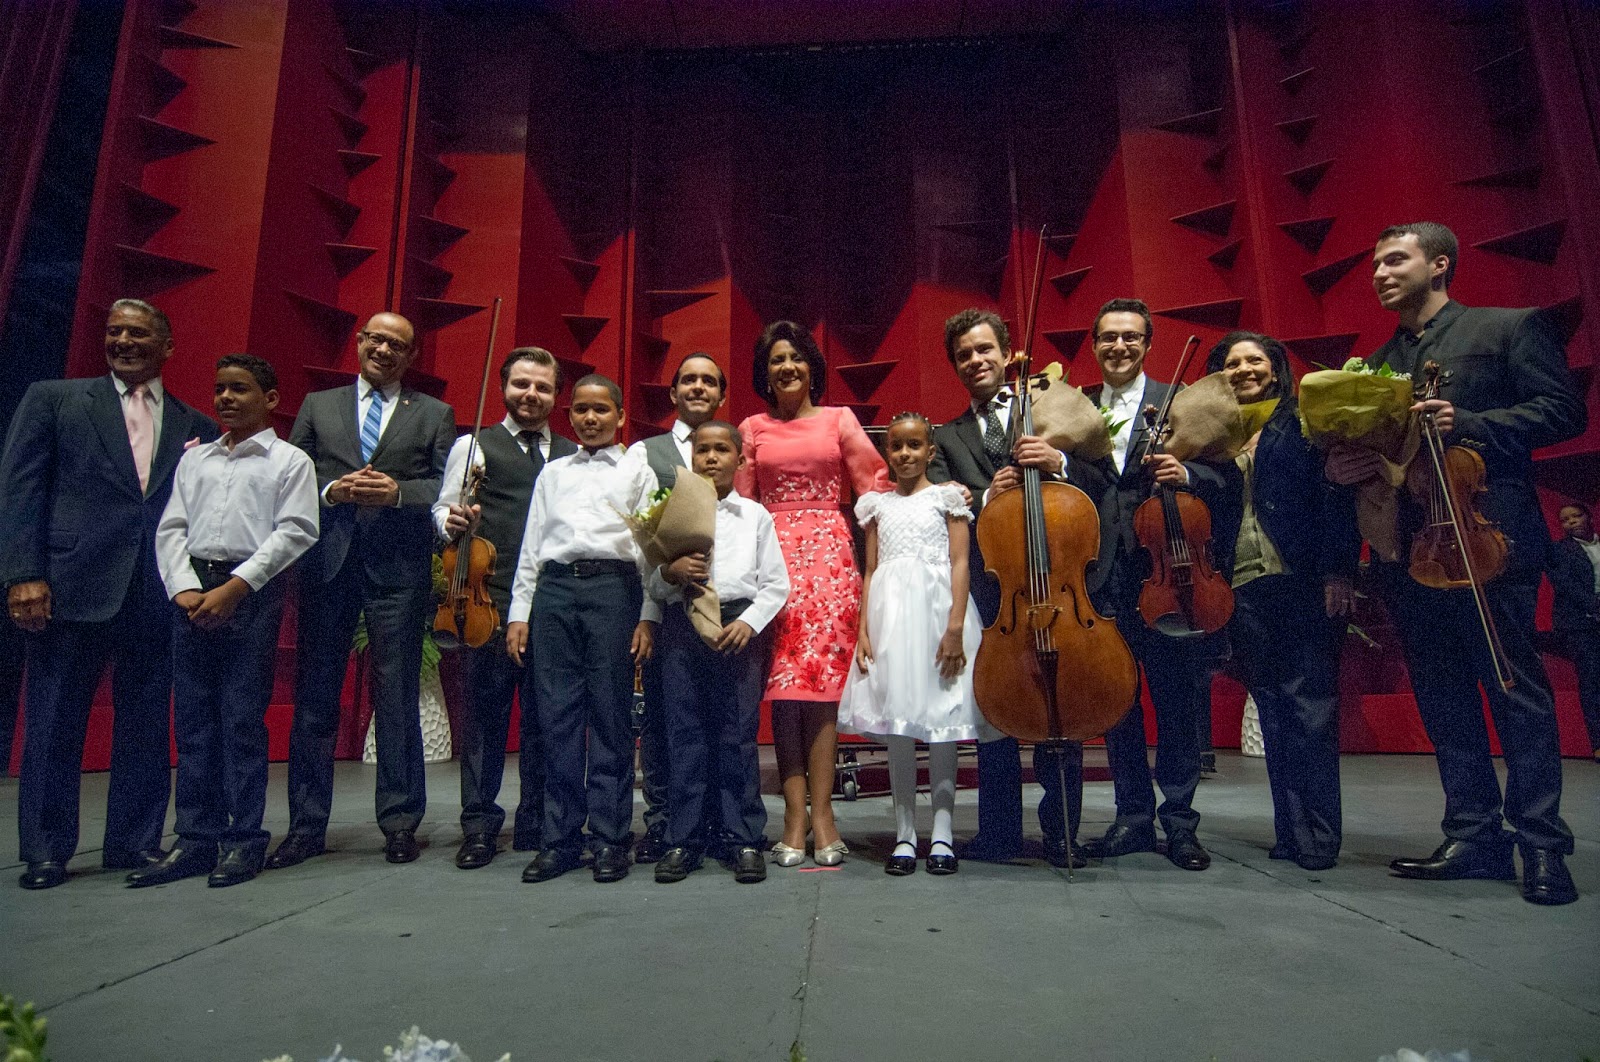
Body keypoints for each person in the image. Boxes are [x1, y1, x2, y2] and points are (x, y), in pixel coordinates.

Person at [1328, 222, 1585, 905]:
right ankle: (1473, 834)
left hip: (1488, 539)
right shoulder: (1375, 365)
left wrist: (1469, 422)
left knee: (1515, 692)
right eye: (1375, 264)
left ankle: (1542, 844)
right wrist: (1349, 464)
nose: (1380, 273)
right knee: (1443, 697)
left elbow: (1564, 411)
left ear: (1440, 264)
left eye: (1395, 260)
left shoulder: (1508, 328)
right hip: (1409, 549)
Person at [0, 298, 218, 890]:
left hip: (155, 592)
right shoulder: (54, 399)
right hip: (69, 586)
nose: (122, 341)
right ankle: (45, 850)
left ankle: (133, 841)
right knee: (54, 722)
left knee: (146, 724)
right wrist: (22, 573)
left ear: (166, 347)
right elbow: (19, 489)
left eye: (137, 333)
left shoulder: (196, 424)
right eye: (114, 331)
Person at [268, 312, 457, 870]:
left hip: (399, 570)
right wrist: (331, 490)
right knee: (316, 700)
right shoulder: (318, 405)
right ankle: (305, 827)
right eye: (376, 339)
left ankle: (400, 824)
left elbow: (444, 486)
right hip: (328, 565)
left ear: (411, 356)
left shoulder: (434, 413)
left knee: (396, 698)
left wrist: (397, 492)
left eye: (398, 344)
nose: (385, 350)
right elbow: (290, 475)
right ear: (359, 342)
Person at [928, 307, 1110, 869]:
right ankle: (1000, 833)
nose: (975, 360)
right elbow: (937, 504)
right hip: (995, 589)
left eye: (985, 349)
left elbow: (1106, 480)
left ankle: (1063, 833)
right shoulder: (946, 437)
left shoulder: (1049, 409)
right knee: (997, 709)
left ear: (1007, 354)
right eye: (964, 355)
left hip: (1057, 582)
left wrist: (1059, 461)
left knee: (1061, 706)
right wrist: (988, 496)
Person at [136, 355, 319, 888]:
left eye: (240, 389)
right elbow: (172, 527)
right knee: (193, 722)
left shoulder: (290, 461)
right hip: (194, 591)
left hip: (250, 593)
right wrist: (183, 587)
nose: (226, 399)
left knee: (241, 721)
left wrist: (235, 588)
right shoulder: (196, 459)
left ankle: (243, 840)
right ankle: (195, 839)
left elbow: (296, 530)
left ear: (271, 399)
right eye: (220, 389)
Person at [1081, 297, 1228, 872]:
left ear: (1147, 344)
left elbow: (1225, 475)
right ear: (1095, 344)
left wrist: (1187, 473)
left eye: (1131, 337)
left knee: (1177, 703)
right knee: (1117, 703)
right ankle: (1132, 818)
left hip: (1170, 575)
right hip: (1102, 576)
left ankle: (1181, 823)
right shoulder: (1075, 409)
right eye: (1108, 337)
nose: (1119, 346)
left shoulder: (1180, 401)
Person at [735, 321, 888, 868]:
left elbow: (875, 486)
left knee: (822, 692)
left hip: (829, 561)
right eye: (777, 359)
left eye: (797, 358)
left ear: (812, 368)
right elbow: (741, 505)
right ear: (765, 372)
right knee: (784, 692)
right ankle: (792, 817)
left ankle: (823, 816)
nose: (787, 367)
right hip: (771, 561)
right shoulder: (751, 427)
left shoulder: (839, 419)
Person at [1204, 331, 1358, 870]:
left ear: (1275, 368)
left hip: (1302, 578)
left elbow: (1335, 496)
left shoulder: (1302, 421)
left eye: (1255, 360)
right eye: (1233, 363)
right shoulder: (1216, 433)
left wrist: (1339, 570)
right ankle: (1290, 831)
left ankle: (1319, 835)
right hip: (1242, 584)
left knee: (1310, 707)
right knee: (1271, 707)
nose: (1244, 369)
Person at [506, 374, 659, 884]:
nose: (590, 418)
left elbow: (649, 547)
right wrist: (520, 612)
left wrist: (648, 613)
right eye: (581, 410)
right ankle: (560, 839)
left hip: (613, 589)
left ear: (620, 416)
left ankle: (611, 837)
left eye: (601, 410)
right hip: (554, 591)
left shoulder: (636, 470)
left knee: (612, 715)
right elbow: (533, 544)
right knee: (558, 718)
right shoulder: (552, 473)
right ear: (568, 415)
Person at [434, 347, 577, 869]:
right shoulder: (473, 445)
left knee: (547, 720)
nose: (531, 394)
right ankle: (478, 826)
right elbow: (443, 507)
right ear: (503, 387)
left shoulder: (573, 453)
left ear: (556, 395)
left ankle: (536, 820)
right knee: (485, 721)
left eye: (542, 386)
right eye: (521, 384)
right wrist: (448, 523)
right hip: (489, 602)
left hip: (555, 604)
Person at [840, 412, 984, 876]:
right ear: (887, 452)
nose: (905, 454)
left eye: (914, 445)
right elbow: (870, 570)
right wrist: (864, 628)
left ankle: (942, 834)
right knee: (898, 724)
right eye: (897, 446)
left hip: (938, 618)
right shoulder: (875, 506)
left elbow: (960, 563)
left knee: (943, 722)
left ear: (930, 451)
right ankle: (905, 835)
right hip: (892, 622)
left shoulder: (947, 499)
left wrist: (955, 626)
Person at [648, 420, 790, 884]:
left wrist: (749, 622)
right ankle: (684, 839)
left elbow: (776, 584)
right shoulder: (672, 511)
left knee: (737, 734)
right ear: (690, 458)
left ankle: (742, 837)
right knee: (684, 734)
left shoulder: (755, 515)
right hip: (682, 625)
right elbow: (653, 584)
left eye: (721, 450)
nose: (711, 458)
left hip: (737, 628)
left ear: (740, 459)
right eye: (702, 450)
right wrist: (670, 572)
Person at [625, 352, 729, 863]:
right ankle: (663, 822)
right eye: (688, 380)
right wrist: (648, 607)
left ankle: (715, 822)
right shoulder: (646, 452)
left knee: (718, 719)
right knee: (666, 722)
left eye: (708, 381)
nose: (698, 387)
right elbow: (633, 534)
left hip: (723, 609)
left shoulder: (731, 447)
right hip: (664, 603)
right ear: (673, 393)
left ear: (721, 395)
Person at [1549, 502, 1600, 762]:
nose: (1571, 522)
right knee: (1592, 681)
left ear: (1588, 517)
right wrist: (1594, 606)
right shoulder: (1559, 551)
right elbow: (1565, 586)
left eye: (1576, 516)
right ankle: (1598, 743)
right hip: (1580, 624)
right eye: (1565, 520)